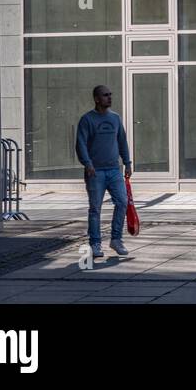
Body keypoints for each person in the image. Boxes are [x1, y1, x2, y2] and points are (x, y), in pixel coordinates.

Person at [75, 85, 132, 260]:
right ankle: (95, 243)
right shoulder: (87, 120)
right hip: (95, 172)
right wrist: (87, 163)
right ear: (97, 99)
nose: (109, 97)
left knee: (122, 202)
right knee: (95, 209)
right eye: (105, 95)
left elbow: (122, 141)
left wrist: (127, 162)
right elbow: (81, 144)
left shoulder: (115, 118)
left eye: (110, 94)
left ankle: (116, 239)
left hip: (114, 170)